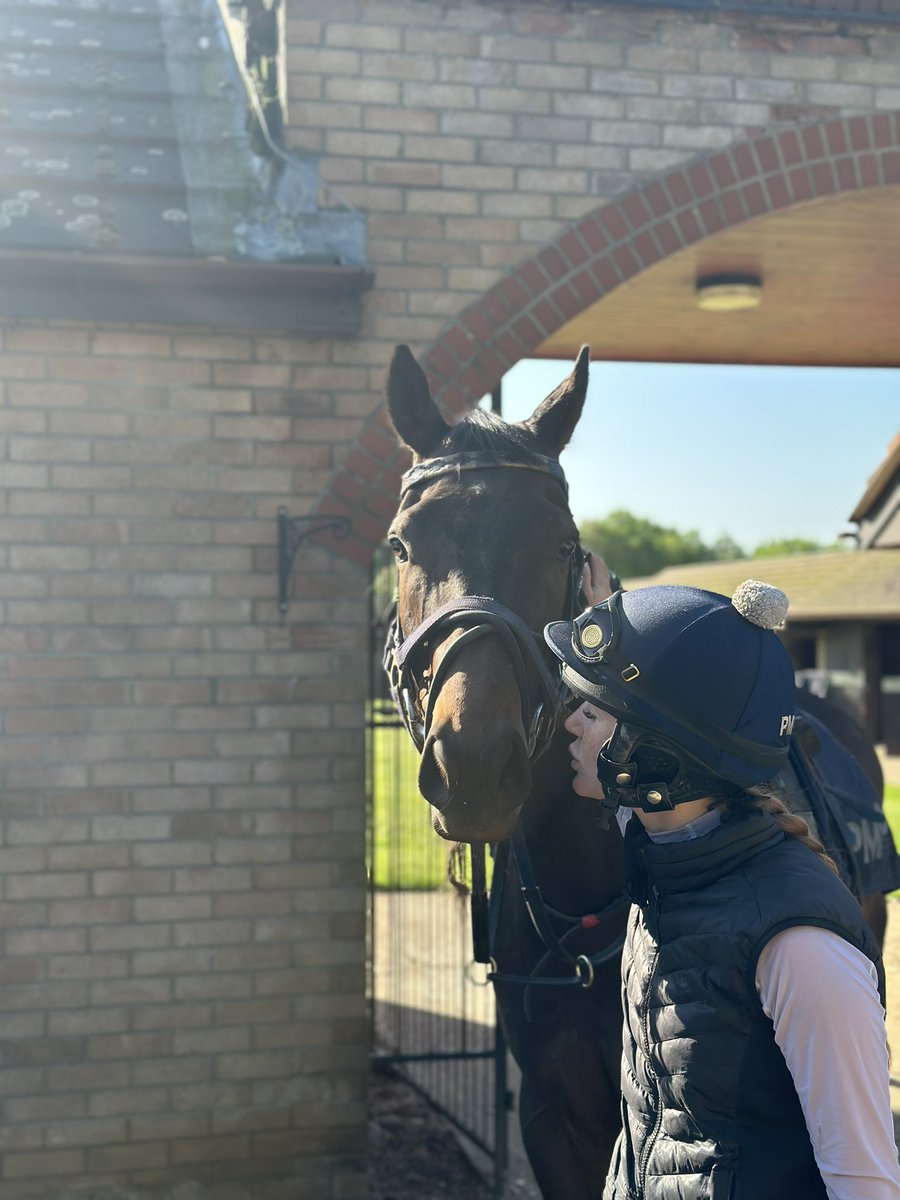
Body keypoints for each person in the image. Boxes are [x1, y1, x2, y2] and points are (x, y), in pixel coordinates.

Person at [543, 576, 900, 1200]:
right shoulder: (664, 862)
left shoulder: (799, 946)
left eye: (594, 709)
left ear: (658, 754)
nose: (570, 723)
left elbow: (866, 1183)